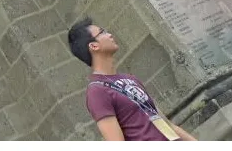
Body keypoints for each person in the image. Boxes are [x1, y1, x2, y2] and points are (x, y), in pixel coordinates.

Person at [67, 18, 196, 141]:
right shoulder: (97, 91)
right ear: (94, 46)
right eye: (103, 32)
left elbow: (167, 124)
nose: (110, 34)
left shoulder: (131, 79)